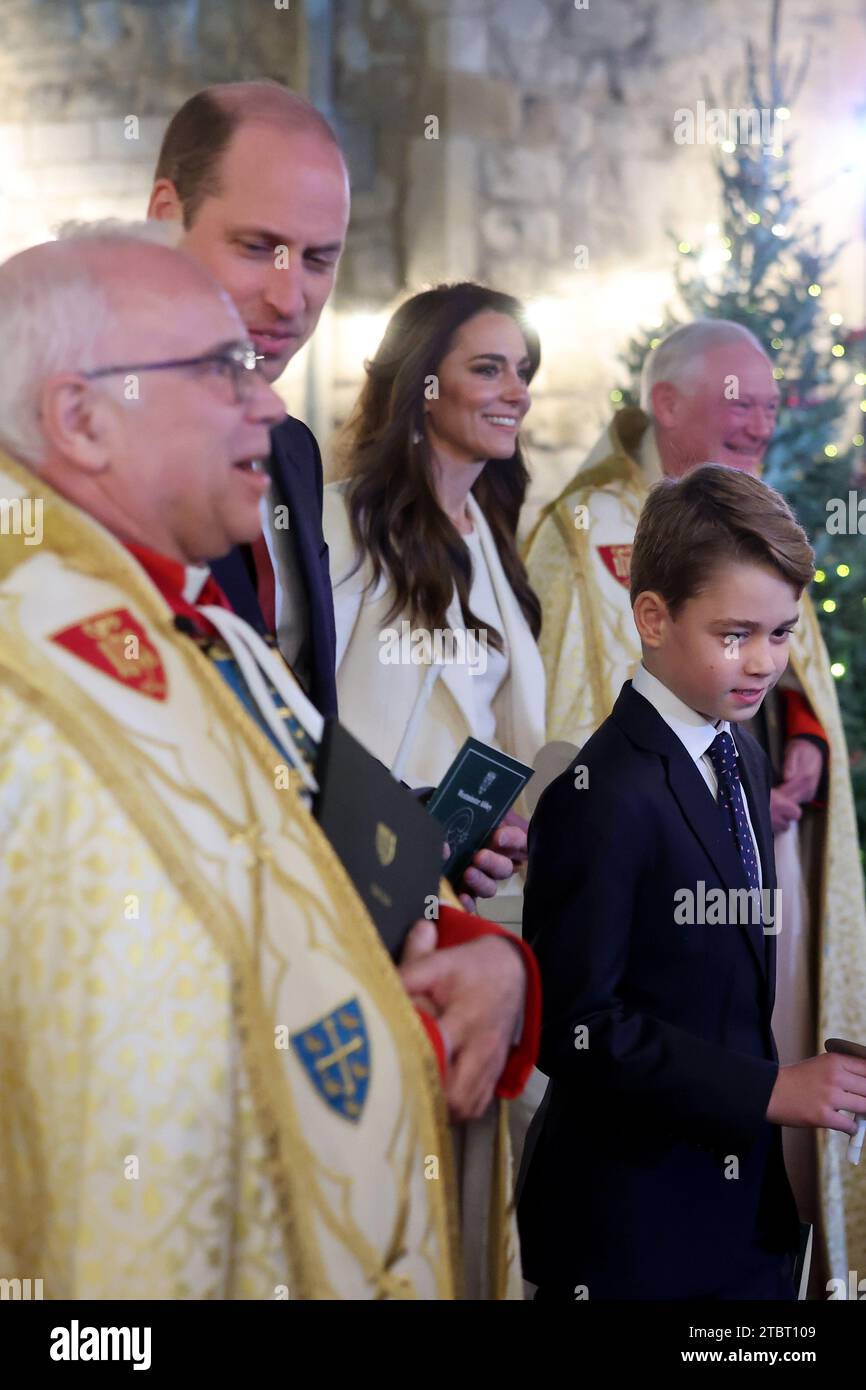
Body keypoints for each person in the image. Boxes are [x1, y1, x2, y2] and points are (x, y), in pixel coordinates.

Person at [0, 231, 537, 1298]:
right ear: (80, 417)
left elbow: (314, 862)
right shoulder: (29, 660)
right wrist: (405, 1040)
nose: (269, 405)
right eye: (219, 371)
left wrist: (486, 959)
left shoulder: (205, 626)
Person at [147, 81, 533, 1064]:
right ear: (165, 216)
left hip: (304, 958)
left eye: (318, 259)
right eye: (254, 246)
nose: (291, 297)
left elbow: (297, 720)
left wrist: (415, 854)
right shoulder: (75, 455)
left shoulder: (291, 454)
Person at [523, 319, 866, 1281]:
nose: (764, 663)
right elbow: (574, 1028)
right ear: (652, 615)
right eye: (735, 635)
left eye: (781, 633)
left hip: (735, 1211)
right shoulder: (607, 792)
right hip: (629, 1224)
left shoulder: (739, 759)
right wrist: (768, 1090)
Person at [323, 283, 546, 920]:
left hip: (474, 886)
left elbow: (501, 728)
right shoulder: (341, 524)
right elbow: (308, 708)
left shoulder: (497, 540)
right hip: (363, 872)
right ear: (423, 384)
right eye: (487, 369)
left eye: (522, 371)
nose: (518, 392)